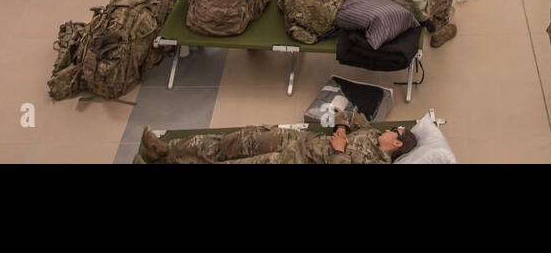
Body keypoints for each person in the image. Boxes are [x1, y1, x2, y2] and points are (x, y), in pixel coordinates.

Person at [139, 112, 415, 164]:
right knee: (233, 142)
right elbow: (350, 115)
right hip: (294, 140)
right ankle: (165, 150)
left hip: (294, 160)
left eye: (397, 131)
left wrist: (339, 152)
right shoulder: (373, 133)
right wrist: (342, 129)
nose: (391, 129)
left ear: (397, 144)